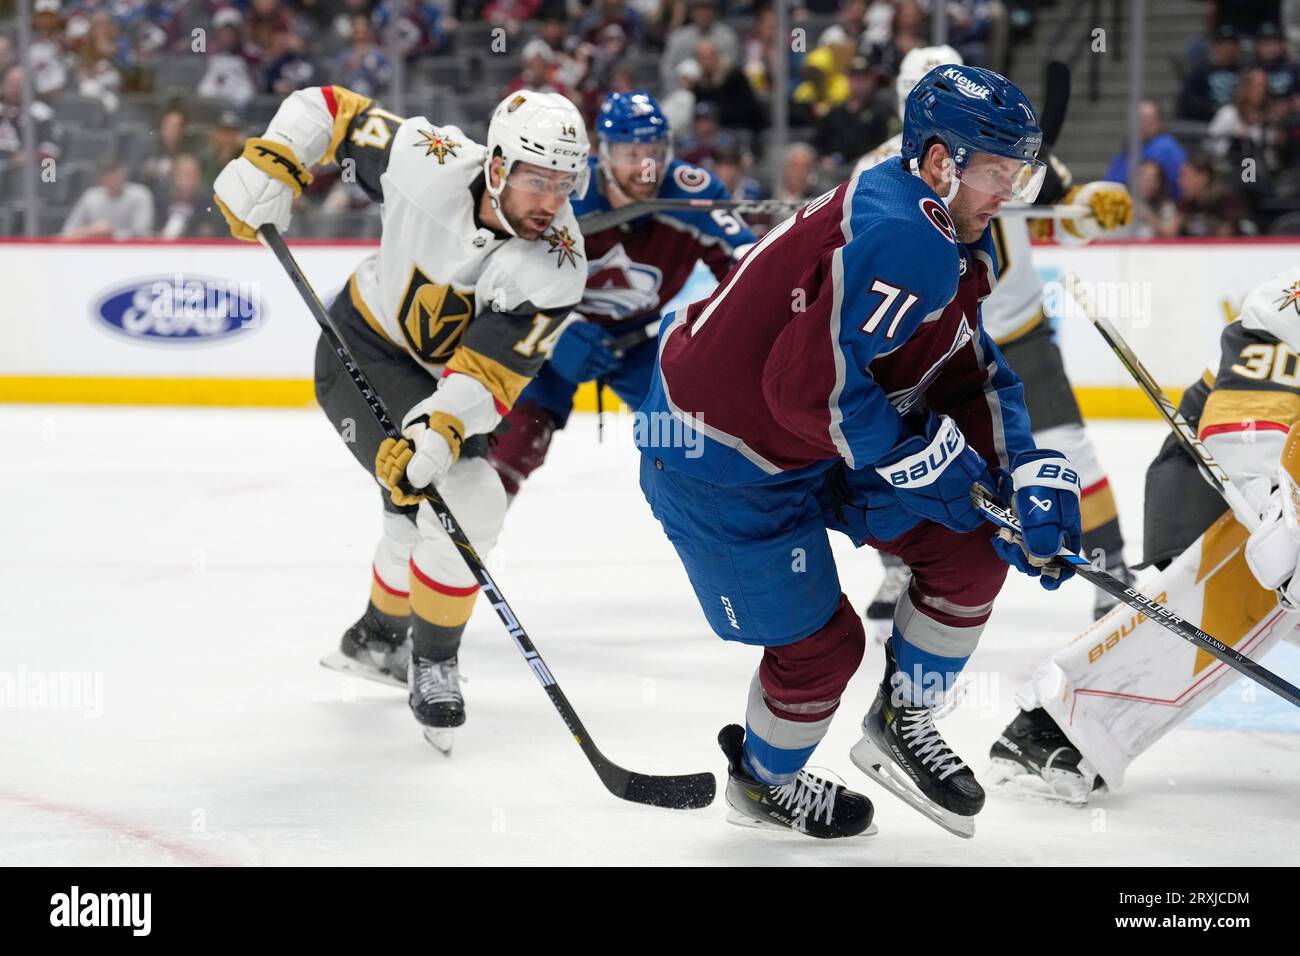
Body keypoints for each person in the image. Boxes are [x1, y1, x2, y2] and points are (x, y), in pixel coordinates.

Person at [637, 64, 1081, 838]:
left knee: (977, 546)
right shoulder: (908, 235)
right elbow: (807, 395)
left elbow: (967, 370)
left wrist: (1025, 473)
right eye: (997, 173)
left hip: (813, 445)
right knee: (823, 647)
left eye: (1020, 174)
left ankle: (902, 720)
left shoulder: (940, 229)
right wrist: (933, 463)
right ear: (941, 162)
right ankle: (763, 782)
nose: (1009, 194)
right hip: (719, 456)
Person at [213, 86, 589, 750]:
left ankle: (380, 637)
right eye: (538, 181)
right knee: (466, 499)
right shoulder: (427, 156)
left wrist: (438, 429)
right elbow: (328, 107)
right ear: (497, 166)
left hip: (449, 381)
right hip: (358, 347)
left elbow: (489, 374)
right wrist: (274, 159)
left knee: (440, 494)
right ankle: (432, 657)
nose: (552, 202)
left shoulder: (558, 265)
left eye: (565, 183)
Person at [991, 268, 1300, 803]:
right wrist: (1284, 523)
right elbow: (1247, 431)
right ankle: (1057, 725)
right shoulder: (1288, 308)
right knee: (1225, 588)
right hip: (1225, 480)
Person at [857, 47, 1135, 627]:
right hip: (932, 340)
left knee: (1067, 447)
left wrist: (1086, 207)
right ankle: (900, 565)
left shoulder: (997, 148)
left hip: (1015, 326)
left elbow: (1059, 202)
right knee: (900, 452)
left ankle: (1111, 568)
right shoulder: (878, 172)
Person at [488, 90, 755, 499]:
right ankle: (464, 538)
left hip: (639, 340)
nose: (645, 168)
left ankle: (724, 534)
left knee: (690, 441)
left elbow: (746, 268)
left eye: (653, 151)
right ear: (604, 154)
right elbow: (504, 270)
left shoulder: (691, 191)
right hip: (552, 327)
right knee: (517, 440)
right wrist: (557, 330)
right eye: (631, 154)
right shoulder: (565, 192)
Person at [1103, 100, 1188, 201]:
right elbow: (1110, 182)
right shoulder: (1130, 148)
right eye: (1136, 119)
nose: (1139, 124)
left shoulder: (1166, 148)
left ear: (1158, 123)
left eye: (1145, 120)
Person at [61, 158, 155, 239]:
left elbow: (141, 232)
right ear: (101, 180)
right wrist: (92, 230)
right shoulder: (91, 196)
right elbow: (68, 230)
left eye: (118, 175)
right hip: (94, 250)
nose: (116, 180)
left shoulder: (140, 194)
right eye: (110, 177)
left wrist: (111, 233)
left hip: (130, 251)